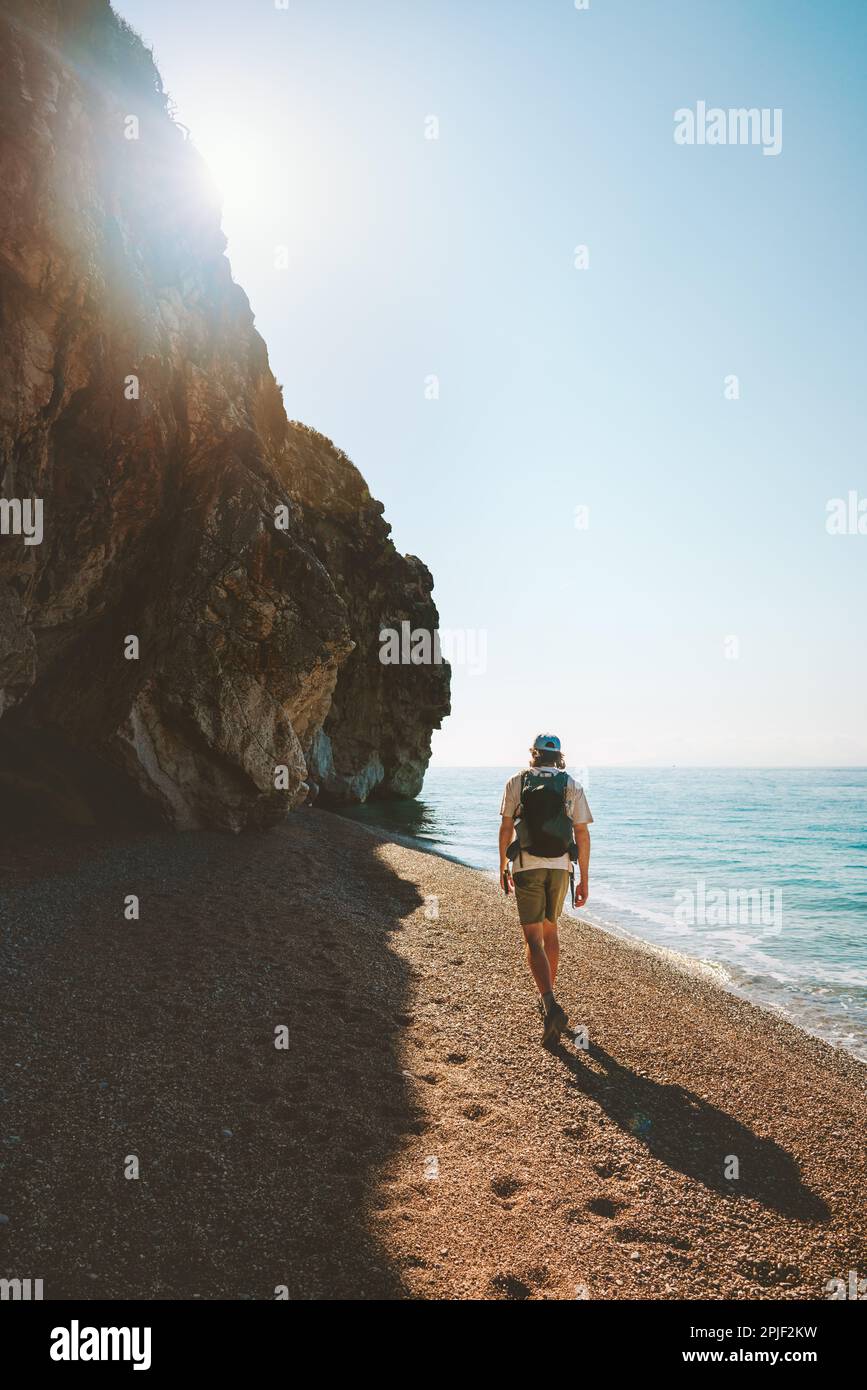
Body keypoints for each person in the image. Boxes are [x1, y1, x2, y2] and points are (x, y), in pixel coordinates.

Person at [499, 734, 592, 1044]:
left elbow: (506, 827)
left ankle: (549, 1003)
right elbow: (581, 833)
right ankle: (546, 997)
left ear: (534, 754)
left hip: (528, 864)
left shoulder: (517, 781)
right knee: (550, 932)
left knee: (532, 938)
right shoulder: (571, 785)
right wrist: (585, 879)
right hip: (561, 867)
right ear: (558, 756)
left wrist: (502, 865)